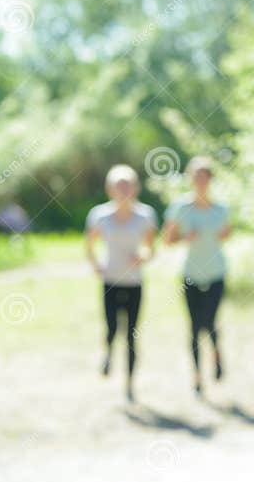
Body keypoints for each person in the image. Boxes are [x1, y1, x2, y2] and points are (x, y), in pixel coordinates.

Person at [85, 164, 156, 402]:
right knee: (112, 328)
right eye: (118, 185)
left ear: (135, 188)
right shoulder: (99, 215)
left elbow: (150, 248)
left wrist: (143, 257)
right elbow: (90, 243)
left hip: (134, 282)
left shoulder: (145, 215)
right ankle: (107, 353)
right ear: (110, 189)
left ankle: (130, 383)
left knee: (131, 334)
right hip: (110, 281)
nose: (123, 190)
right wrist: (96, 264)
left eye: (127, 185)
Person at [162, 156, 231, 395]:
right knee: (193, 326)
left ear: (210, 180)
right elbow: (167, 240)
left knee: (210, 322)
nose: (200, 181)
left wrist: (223, 235)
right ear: (190, 179)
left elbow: (225, 235)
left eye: (205, 177)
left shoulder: (221, 209)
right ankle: (197, 375)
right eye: (196, 177)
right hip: (190, 273)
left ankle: (216, 355)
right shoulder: (180, 208)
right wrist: (184, 237)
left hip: (216, 273)